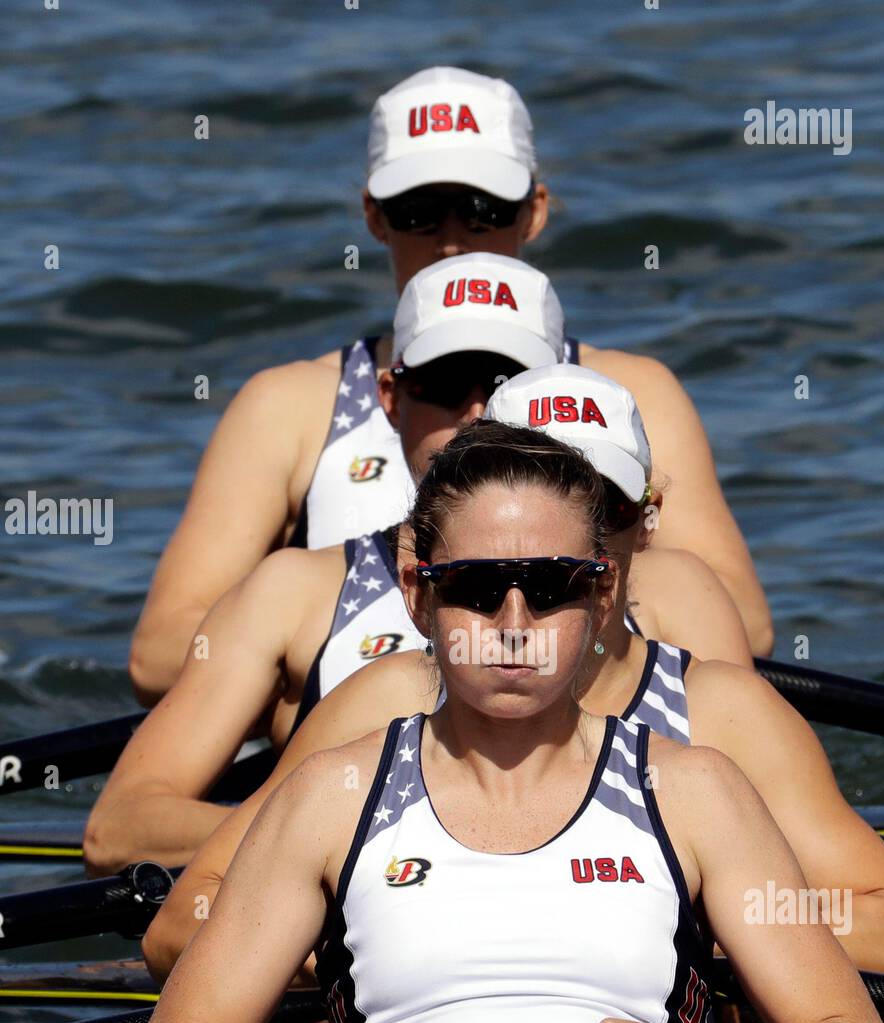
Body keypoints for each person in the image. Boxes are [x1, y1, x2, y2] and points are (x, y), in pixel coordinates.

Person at [119, 425, 884, 1023]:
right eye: (479, 589)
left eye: (555, 586)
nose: (515, 625)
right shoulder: (332, 794)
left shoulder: (697, 792)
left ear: (603, 599)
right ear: (418, 598)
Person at [141, 403, 884, 985]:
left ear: (645, 524)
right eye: (501, 559)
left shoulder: (726, 713)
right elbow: (188, 920)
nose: (552, 551)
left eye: (606, 513)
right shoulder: (382, 699)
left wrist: (683, 917)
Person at [129, 66, 772, 706]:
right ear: (374, 219)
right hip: (360, 728)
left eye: (483, 208)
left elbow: (742, 625)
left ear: (535, 212)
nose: (453, 241)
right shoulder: (285, 407)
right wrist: (320, 658)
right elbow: (161, 657)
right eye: (419, 212)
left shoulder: (637, 392)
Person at [84, 273, 751, 874]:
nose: (466, 411)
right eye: (441, 383)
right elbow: (119, 832)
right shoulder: (303, 600)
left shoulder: (679, 593)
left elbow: (763, 828)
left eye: (495, 386)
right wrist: (335, 841)